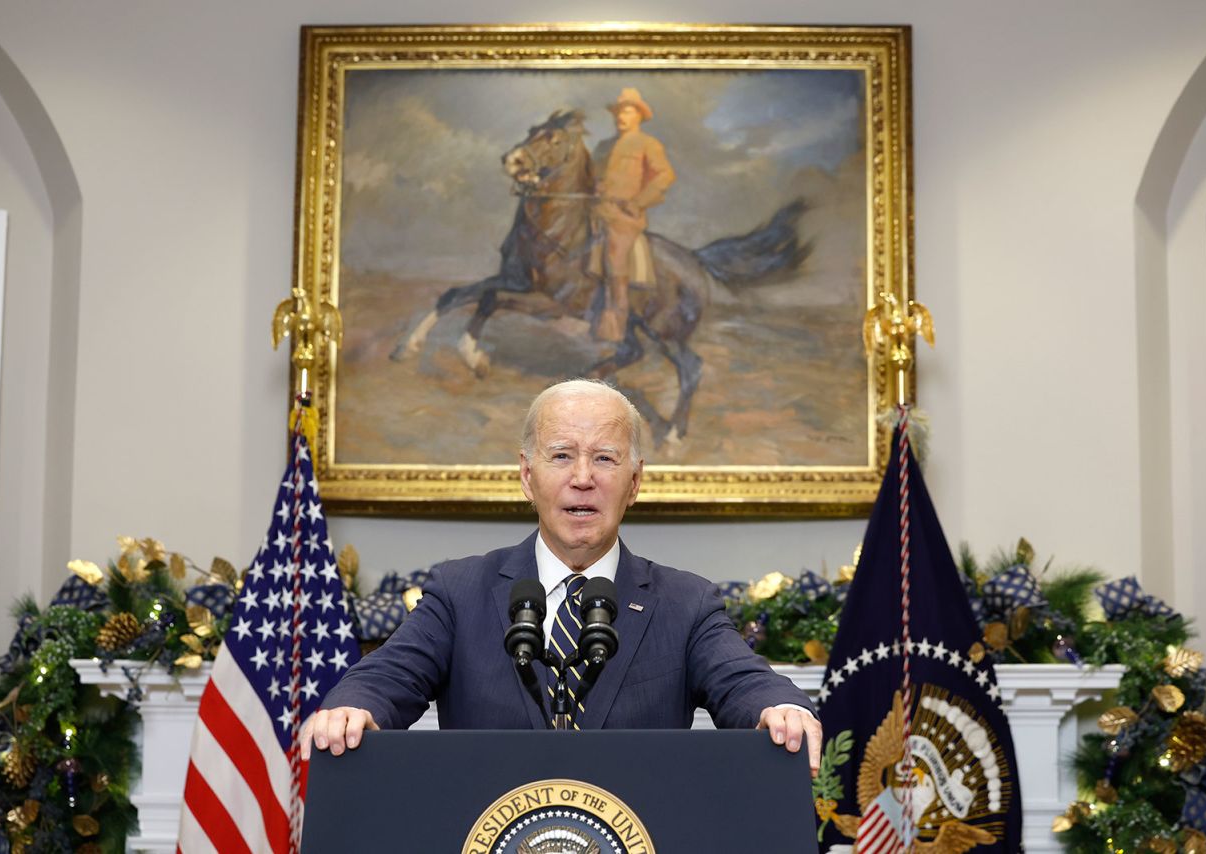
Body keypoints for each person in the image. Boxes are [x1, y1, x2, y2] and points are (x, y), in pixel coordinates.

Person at [300, 379, 822, 774]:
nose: (582, 478)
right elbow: (386, 678)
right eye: (562, 456)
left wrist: (781, 709)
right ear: (528, 476)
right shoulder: (461, 592)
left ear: (634, 482)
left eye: (604, 458)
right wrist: (353, 709)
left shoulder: (684, 603)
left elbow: (745, 682)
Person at [589, 88, 676, 342]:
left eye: (627, 111)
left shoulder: (647, 144)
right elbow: (592, 177)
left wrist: (639, 202)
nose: (620, 116)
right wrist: (595, 187)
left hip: (624, 218)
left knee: (615, 257)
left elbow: (665, 176)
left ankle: (616, 324)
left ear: (639, 115)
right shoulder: (603, 146)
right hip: (596, 212)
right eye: (618, 111)